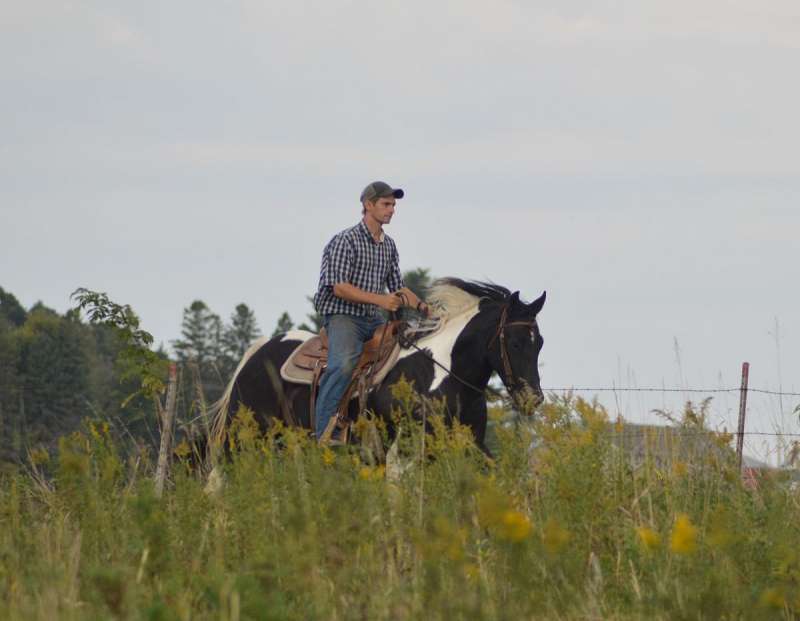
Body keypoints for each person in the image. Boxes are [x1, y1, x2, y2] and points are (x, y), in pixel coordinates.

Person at [312, 180, 428, 443]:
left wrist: (423, 307)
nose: (392, 210)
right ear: (368, 205)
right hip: (343, 315)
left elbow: (398, 287)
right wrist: (380, 300)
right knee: (343, 364)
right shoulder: (345, 241)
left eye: (393, 205)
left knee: (405, 355)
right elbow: (339, 287)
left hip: (373, 319)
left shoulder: (389, 245)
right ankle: (325, 432)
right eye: (386, 204)